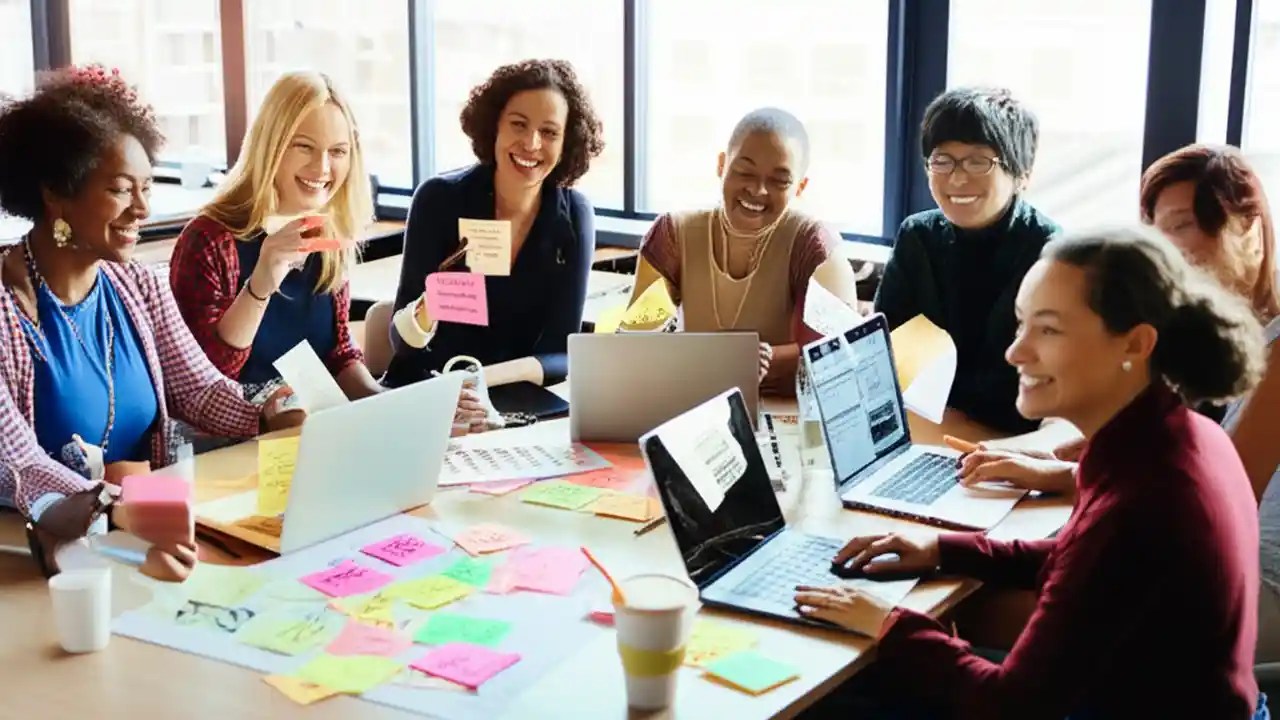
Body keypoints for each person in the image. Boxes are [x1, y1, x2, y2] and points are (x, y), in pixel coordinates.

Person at [795, 226, 1268, 718]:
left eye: (1048, 329)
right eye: (1021, 325)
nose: (1015, 352)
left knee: (839, 698)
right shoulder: (1174, 437)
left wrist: (889, 623)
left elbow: (1009, 705)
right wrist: (940, 549)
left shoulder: (1145, 499)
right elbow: (1078, 559)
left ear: (1135, 345)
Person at [961, 144, 1280, 667]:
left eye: (1179, 226)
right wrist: (1058, 464)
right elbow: (1157, 447)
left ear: (1248, 228)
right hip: (1206, 565)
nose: (1165, 249)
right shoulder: (1202, 341)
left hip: (1255, 587)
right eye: (1154, 228)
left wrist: (1062, 477)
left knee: (973, 607)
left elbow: (1223, 486)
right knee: (981, 585)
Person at [0, 65, 302, 579]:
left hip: (140, 535)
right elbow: (19, 465)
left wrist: (275, 407)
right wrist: (113, 506)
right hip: (37, 555)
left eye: (146, 187)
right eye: (121, 189)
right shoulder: (6, 309)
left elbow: (202, 390)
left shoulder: (139, 285)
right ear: (55, 194)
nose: (142, 208)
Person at [382, 59, 604, 392]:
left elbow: (561, 354)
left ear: (566, 142)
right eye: (518, 124)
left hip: (517, 398)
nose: (531, 143)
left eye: (549, 132)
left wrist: (480, 382)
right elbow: (402, 343)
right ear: (494, 126)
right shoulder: (439, 200)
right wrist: (429, 308)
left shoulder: (575, 215)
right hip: (428, 390)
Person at [169, 71, 381, 401]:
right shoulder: (209, 239)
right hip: (239, 440)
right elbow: (204, 383)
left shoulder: (328, 228)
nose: (322, 167)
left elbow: (336, 353)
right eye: (304, 147)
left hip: (310, 429)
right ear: (272, 147)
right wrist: (260, 286)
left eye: (337, 151)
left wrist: (386, 398)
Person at [632, 107, 860, 395]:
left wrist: (767, 360)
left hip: (787, 415)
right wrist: (734, 360)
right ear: (721, 165)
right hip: (696, 407)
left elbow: (843, 357)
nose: (757, 190)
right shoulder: (673, 236)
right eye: (744, 172)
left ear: (800, 187)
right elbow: (638, 341)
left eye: (779, 181)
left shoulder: (816, 248)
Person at [874, 86, 1061, 435]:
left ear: (1023, 173)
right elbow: (887, 355)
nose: (957, 178)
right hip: (928, 432)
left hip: (1013, 442)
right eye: (942, 160)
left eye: (978, 161)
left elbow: (1061, 395)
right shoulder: (918, 237)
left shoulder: (1052, 255)